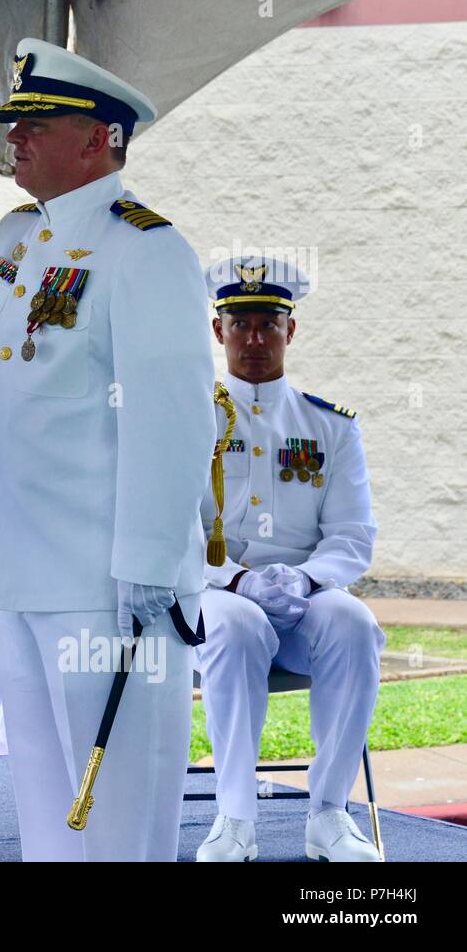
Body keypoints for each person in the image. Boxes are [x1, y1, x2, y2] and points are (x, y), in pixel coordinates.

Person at [0, 37, 214, 860]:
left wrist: (147, 561)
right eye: (13, 123)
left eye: (38, 122)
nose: (13, 139)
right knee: (48, 811)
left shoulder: (147, 251)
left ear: (99, 138)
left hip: (108, 581)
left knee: (119, 812)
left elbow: (172, 419)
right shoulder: (11, 243)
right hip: (22, 572)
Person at [195, 255, 384, 863]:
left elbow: (352, 535)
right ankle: (235, 819)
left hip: (305, 598)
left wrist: (304, 576)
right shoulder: (188, 420)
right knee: (238, 622)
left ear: (290, 331)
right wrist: (238, 580)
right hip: (215, 597)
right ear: (218, 329)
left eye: (268, 324)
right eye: (241, 322)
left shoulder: (329, 427)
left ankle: (329, 814)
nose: (255, 338)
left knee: (356, 623)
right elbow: (169, 529)